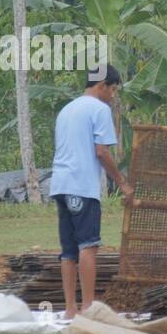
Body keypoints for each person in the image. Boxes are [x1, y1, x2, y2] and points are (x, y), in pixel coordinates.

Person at [49, 65, 134, 320]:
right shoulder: (99, 109)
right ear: (103, 85)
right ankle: (87, 308)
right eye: (114, 90)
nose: (113, 96)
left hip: (60, 185)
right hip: (81, 187)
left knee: (68, 250)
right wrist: (122, 182)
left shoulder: (67, 110)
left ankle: (70, 309)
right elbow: (101, 152)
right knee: (88, 246)